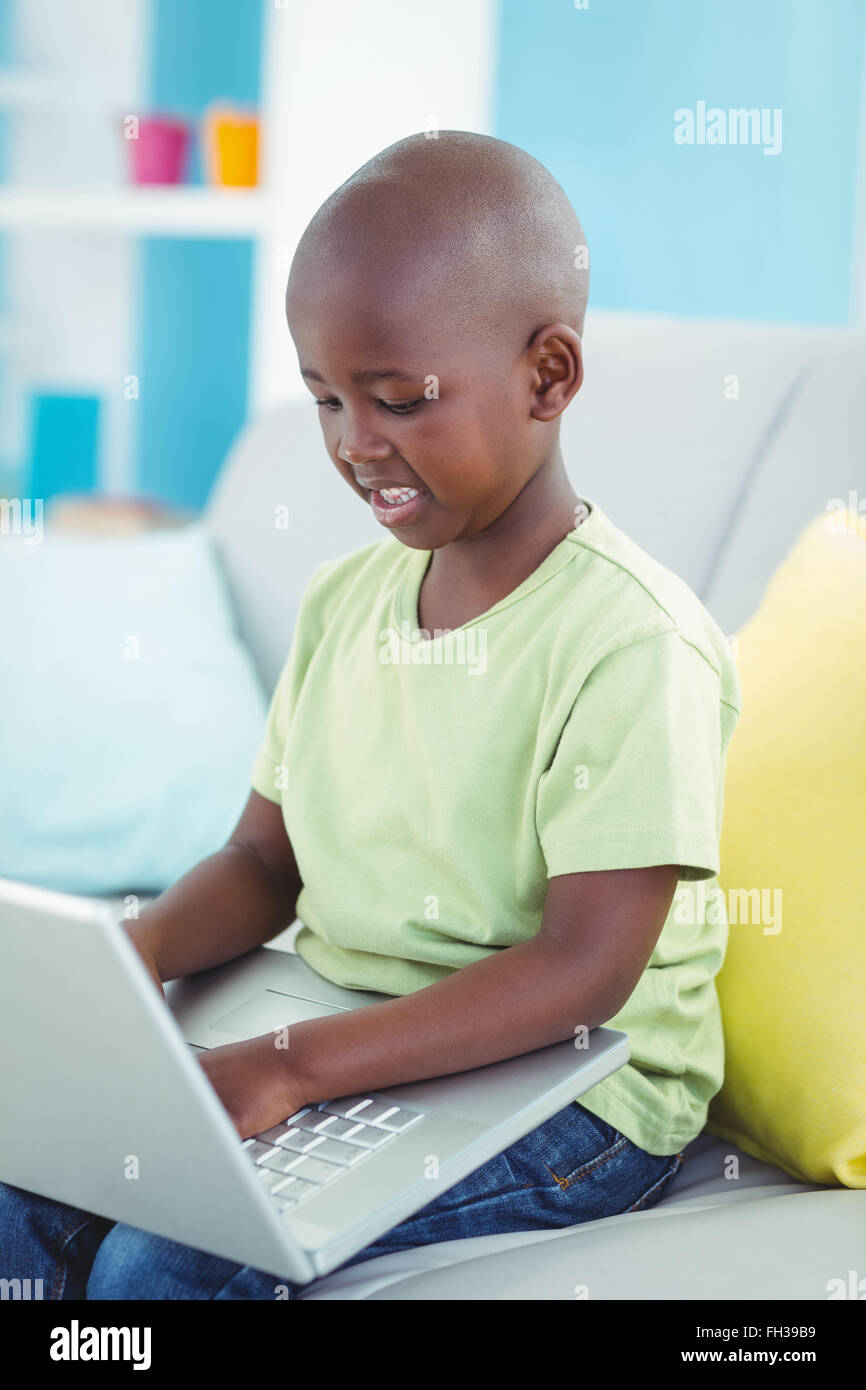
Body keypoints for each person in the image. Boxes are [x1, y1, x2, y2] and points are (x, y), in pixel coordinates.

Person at [0, 131, 741, 1299]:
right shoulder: (347, 601)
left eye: (397, 400)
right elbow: (260, 858)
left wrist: (292, 1067)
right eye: (325, 399)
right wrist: (129, 963)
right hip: (355, 1024)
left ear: (547, 376)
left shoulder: (631, 640)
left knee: (167, 1266)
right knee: (23, 1196)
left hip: (580, 1088)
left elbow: (580, 971)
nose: (355, 444)